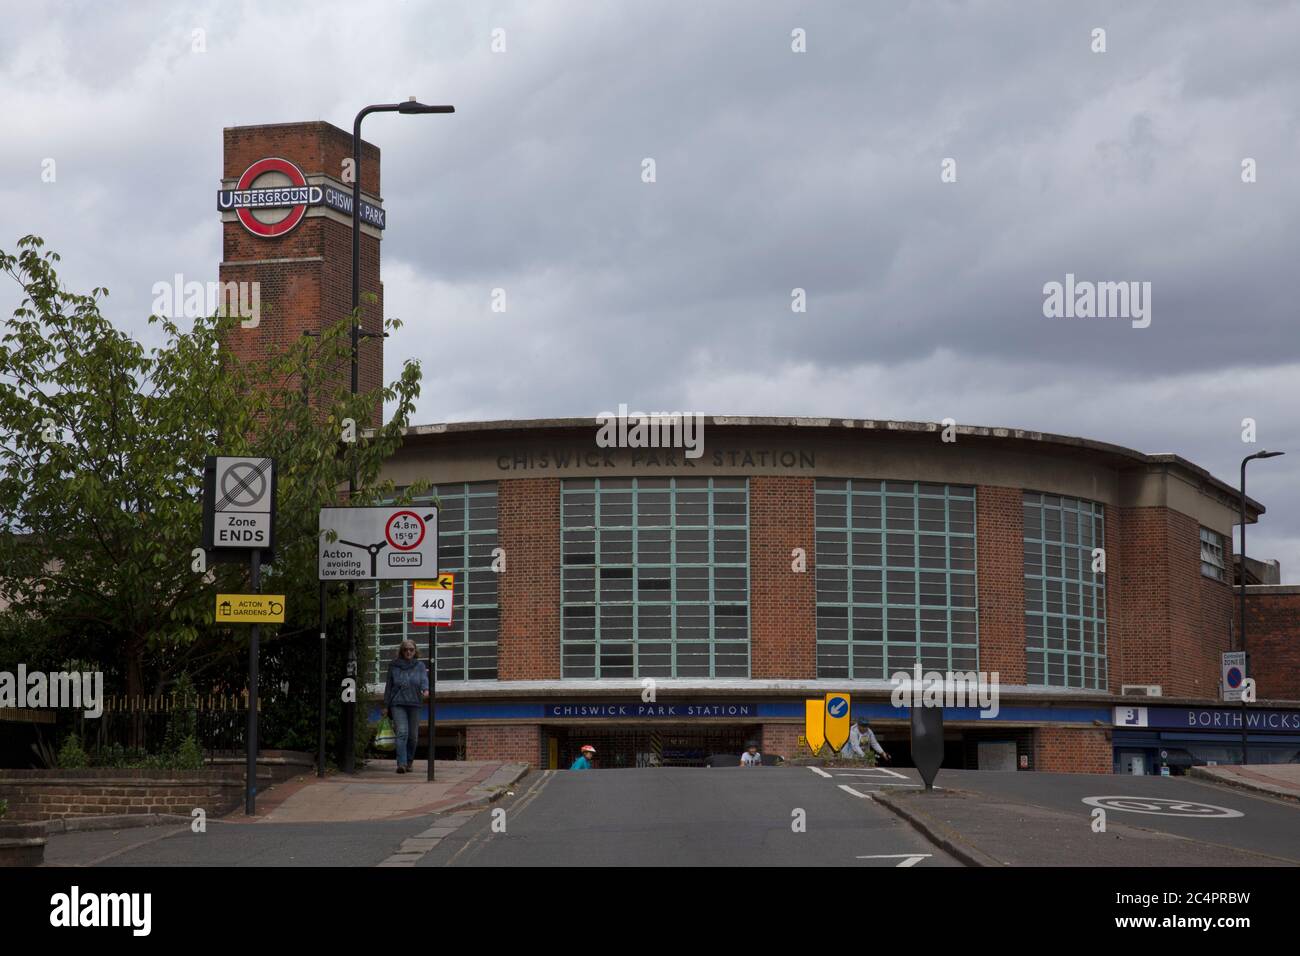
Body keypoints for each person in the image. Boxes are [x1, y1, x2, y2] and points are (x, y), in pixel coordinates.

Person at [383, 640, 429, 773]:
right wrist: (386, 706)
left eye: (411, 650)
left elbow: (423, 679)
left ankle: (409, 761)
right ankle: (401, 764)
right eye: (405, 650)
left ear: (415, 651)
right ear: (401, 651)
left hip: (414, 703)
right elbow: (388, 687)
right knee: (402, 732)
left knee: (413, 736)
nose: (408, 652)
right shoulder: (394, 666)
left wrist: (425, 690)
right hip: (397, 703)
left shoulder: (420, 665)